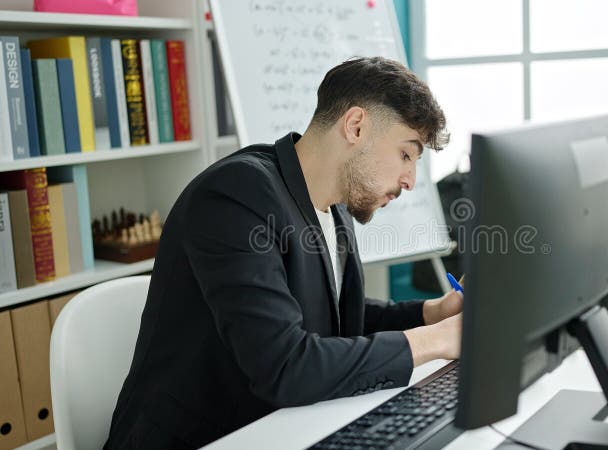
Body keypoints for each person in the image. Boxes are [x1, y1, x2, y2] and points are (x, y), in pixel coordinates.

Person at [104, 56, 462, 449]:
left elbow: (338, 321)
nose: (410, 180)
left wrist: (433, 313)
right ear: (356, 126)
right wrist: (437, 341)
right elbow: (287, 367)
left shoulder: (334, 206)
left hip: (283, 429)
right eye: (406, 154)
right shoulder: (236, 195)